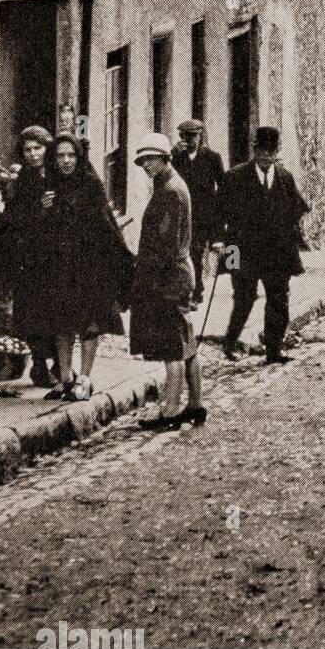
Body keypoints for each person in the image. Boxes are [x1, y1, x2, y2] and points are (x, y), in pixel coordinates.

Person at [45, 132, 132, 401]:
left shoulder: (91, 184)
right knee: (61, 322)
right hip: (60, 265)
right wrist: (44, 209)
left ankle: (85, 378)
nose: (66, 161)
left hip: (88, 266)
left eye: (71, 155)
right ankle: (65, 377)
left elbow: (105, 225)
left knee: (88, 323)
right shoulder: (49, 184)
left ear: (79, 157)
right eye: (60, 155)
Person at [128, 132, 204, 430]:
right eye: (143, 159)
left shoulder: (170, 191)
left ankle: (172, 410)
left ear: (164, 159)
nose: (146, 164)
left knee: (171, 345)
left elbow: (167, 244)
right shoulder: (170, 185)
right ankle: (195, 404)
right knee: (187, 344)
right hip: (177, 273)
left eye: (151, 159)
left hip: (168, 277)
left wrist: (149, 279)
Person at [220, 126, 309, 365]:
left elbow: (297, 208)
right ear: (254, 150)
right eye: (261, 151)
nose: (266, 157)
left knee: (278, 299)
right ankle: (229, 342)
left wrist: (291, 237)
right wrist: (221, 244)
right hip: (241, 250)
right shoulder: (234, 177)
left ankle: (274, 350)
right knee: (244, 298)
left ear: (277, 151)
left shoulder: (284, 178)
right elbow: (219, 213)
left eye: (271, 152)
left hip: (277, 252)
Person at [0, 125, 58, 387]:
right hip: (29, 259)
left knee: (58, 311)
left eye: (37, 148)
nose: (32, 154)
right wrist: (39, 210)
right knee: (31, 313)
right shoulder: (22, 183)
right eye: (27, 149)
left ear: (46, 148)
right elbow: (15, 221)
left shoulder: (57, 176)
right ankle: (39, 365)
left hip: (55, 257)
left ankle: (61, 365)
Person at [171, 120, 225, 309]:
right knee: (182, 253)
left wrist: (218, 212)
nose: (189, 140)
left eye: (192, 136)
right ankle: (187, 291)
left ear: (200, 136)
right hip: (183, 213)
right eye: (185, 136)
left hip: (204, 215)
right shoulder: (177, 158)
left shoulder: (212, 158)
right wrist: (173, 154)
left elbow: (223, 185)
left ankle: (196, 292)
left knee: (195, 252)